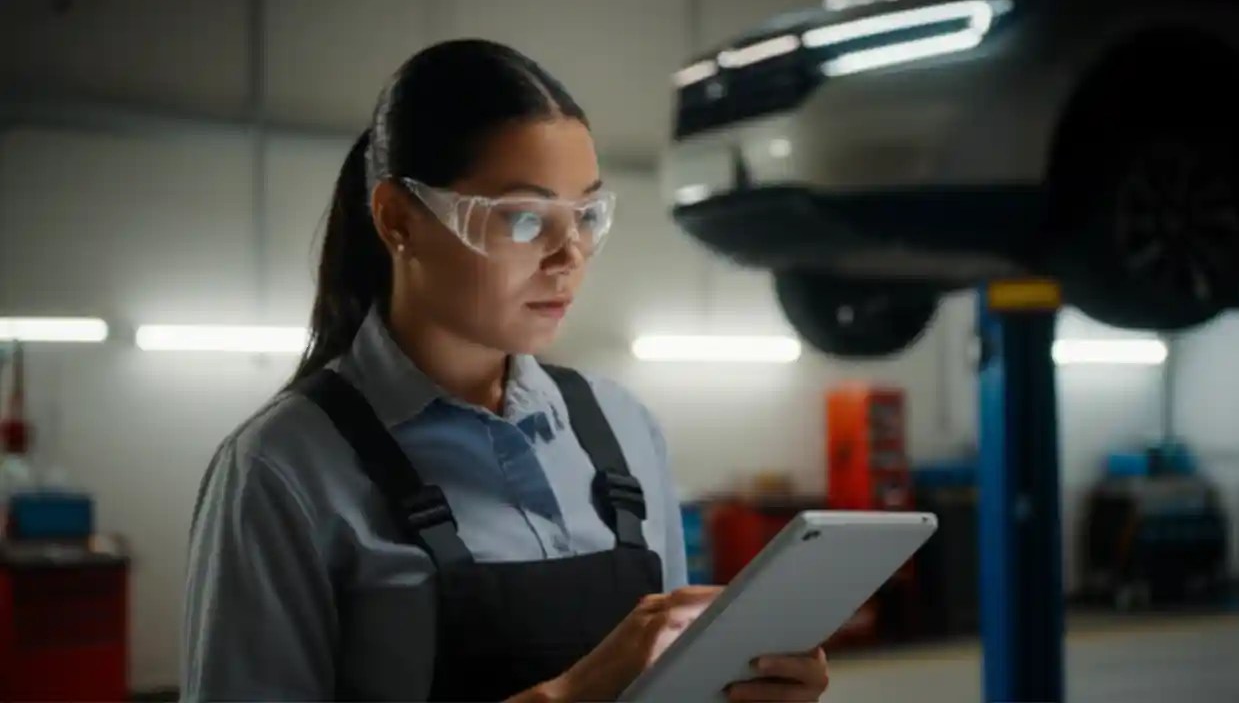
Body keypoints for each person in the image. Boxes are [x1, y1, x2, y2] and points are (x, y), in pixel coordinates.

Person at [181, 39, 830, 702]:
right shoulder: (282, 470)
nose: (568, 255)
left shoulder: (624, 429)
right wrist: (566, 697)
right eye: (523, 219)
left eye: (585, 216)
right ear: (399, 220)